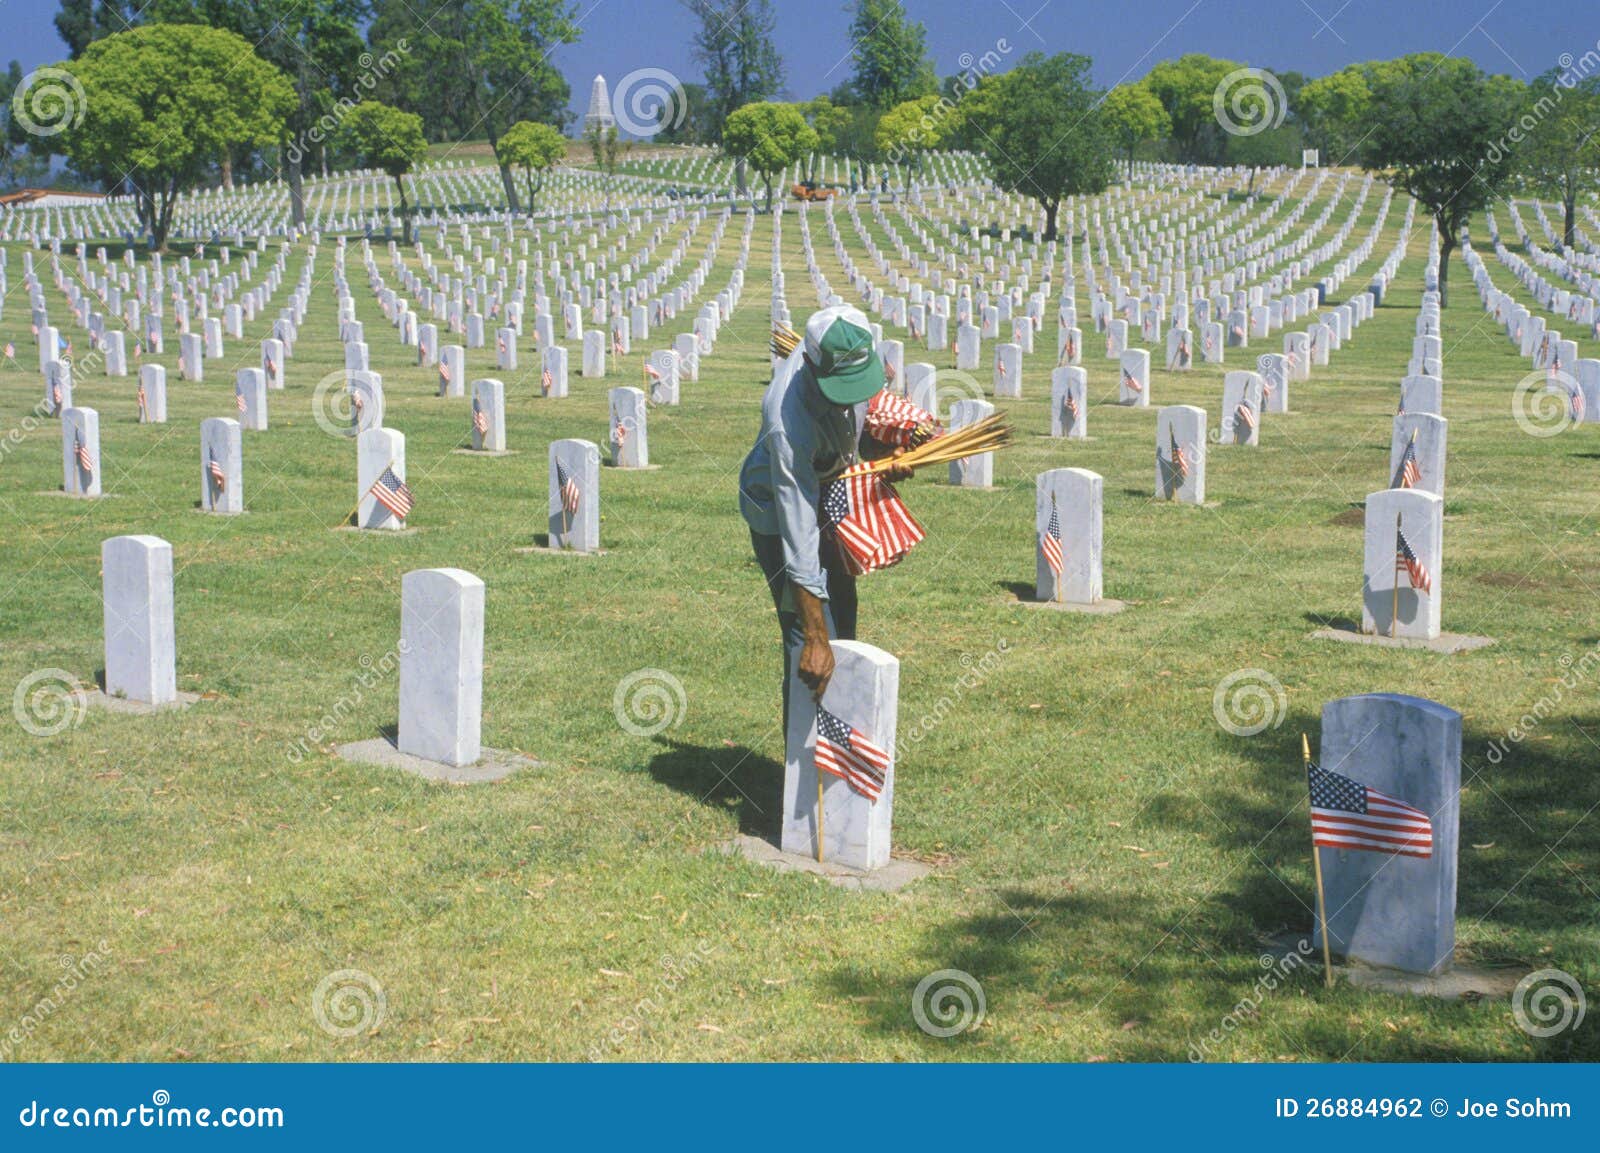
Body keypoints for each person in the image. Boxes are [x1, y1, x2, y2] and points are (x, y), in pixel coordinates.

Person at [739, 306, 915, 727]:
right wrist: (818, 636)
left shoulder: (843, 350)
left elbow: (855, 426)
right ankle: (801, 784)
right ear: (812, 369)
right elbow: (798, 539)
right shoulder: (788, 423)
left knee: (843, 614)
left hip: (827, 489)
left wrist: (882, 455)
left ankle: (838, 761)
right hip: (779, 511)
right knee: (808, 639)